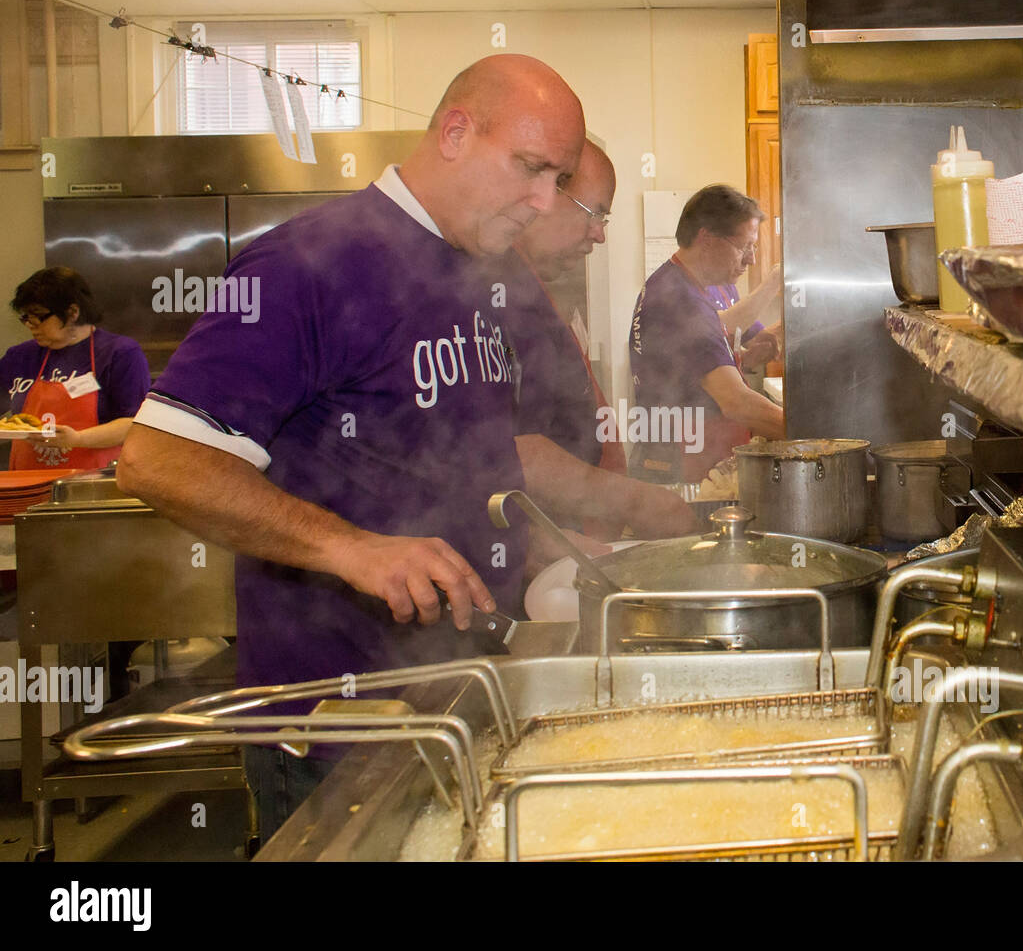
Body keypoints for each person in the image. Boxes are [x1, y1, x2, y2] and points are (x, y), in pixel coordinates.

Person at [116, 54, 587, 838]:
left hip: (448, 699)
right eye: (532, 169)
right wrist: (355, 549)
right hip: (337, 726)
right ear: (455, 132)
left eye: (559, 181)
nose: (544, 202)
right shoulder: (310, 263)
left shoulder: (476, 274)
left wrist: (520, 541)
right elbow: (157, 458)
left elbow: (427, 456)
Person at [499, 140, 699, 544]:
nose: (600, 236)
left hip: (568, 539)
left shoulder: (535, 287)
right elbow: (512, 450)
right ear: (545, 196)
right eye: (596, 215)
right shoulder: (502, 293)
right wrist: (633, 502)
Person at [628, 184, 785, 484]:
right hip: (680, 466)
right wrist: (810, 432)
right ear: (707, 239)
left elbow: (755, 340)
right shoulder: (675, 300)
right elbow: (736, 402)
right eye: (744, 247)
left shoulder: (714, 285)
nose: (751, 259)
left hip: (710, 456)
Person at [3, 267, 149, 470]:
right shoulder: (19, 356)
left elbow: (133, 424)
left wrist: (77, 438)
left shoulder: (119, 353)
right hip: (26, 485)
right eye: (26, 317)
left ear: (72, 312)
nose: (31, 324)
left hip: (92, 484)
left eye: (38, 316)